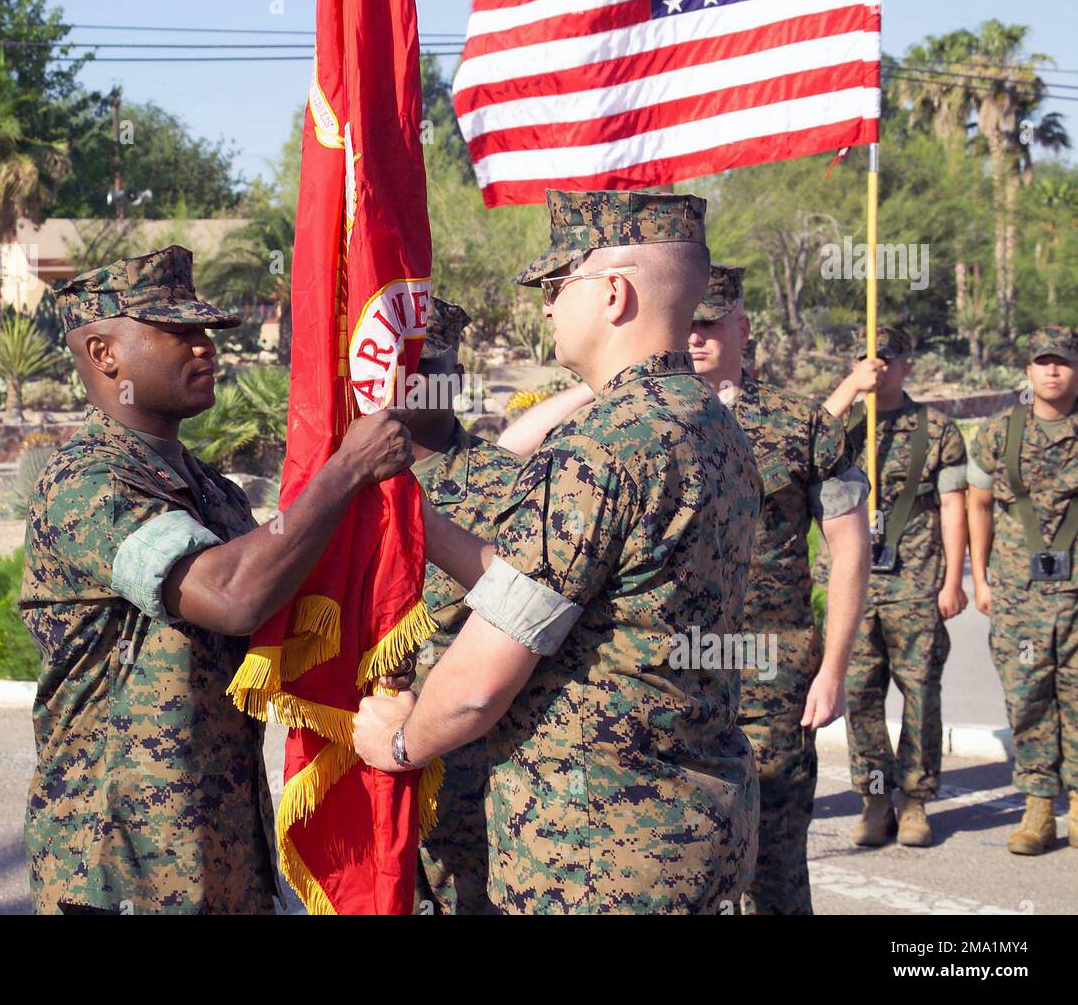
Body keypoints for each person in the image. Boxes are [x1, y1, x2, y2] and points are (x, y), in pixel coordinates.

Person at [353, 190, 764, 914]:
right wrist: (418, 519)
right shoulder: (712, 424)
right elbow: (552, 590)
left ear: (613, 293)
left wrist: (402, 742)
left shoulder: (600, 447)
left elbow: (482, 681)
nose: (546, 309)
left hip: (595, 851)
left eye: (557, 286)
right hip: (694, 828)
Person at [19, 245, 412, 914]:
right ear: (105, 354)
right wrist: (344, 473)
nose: (206, 349)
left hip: (224, 845)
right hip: (122, 864)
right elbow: (232, 596)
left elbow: (274, 609)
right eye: (179, 333)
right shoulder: (85, 480)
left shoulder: (213, 490)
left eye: (206, 334)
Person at [688, 264, 870, 915]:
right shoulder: (645, 423)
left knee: (776, 868)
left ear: (742, 328)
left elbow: (850, 551)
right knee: (679, 866)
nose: (696, 337)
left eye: (711, 324)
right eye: (686, 323)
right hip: (671, 676)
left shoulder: (805, 425)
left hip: (773, 674)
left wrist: (835, 670)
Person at [820, 327, 968, 847]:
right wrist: (850, 386)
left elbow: (953, 506)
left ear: (907, 365)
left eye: (887, 358)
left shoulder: (939, 430)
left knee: (920, 692)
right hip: (854, 586)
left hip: (916, 580)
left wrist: (953, 579)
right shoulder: (843, 426)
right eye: (866, 357)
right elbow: (801, 440)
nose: (878, 366)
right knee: (859, 694)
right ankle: (875, 799)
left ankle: (915, 799)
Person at [405, 297, 521, 914]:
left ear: (455, 370)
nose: (411, 380)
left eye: (428, 364)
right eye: (396, 364)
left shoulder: (513, 484)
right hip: (360, 759)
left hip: (472, 778)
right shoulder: (335, 483)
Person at [967, 326, 1078, 855]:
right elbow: (979, 505)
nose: (1052, 371)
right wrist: (981, 576)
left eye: (1063, 361)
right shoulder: (998, 432)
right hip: (1019, 590)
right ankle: (1038, 806)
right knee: (1027, 693)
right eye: (1043, 362)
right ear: (1028, 371)